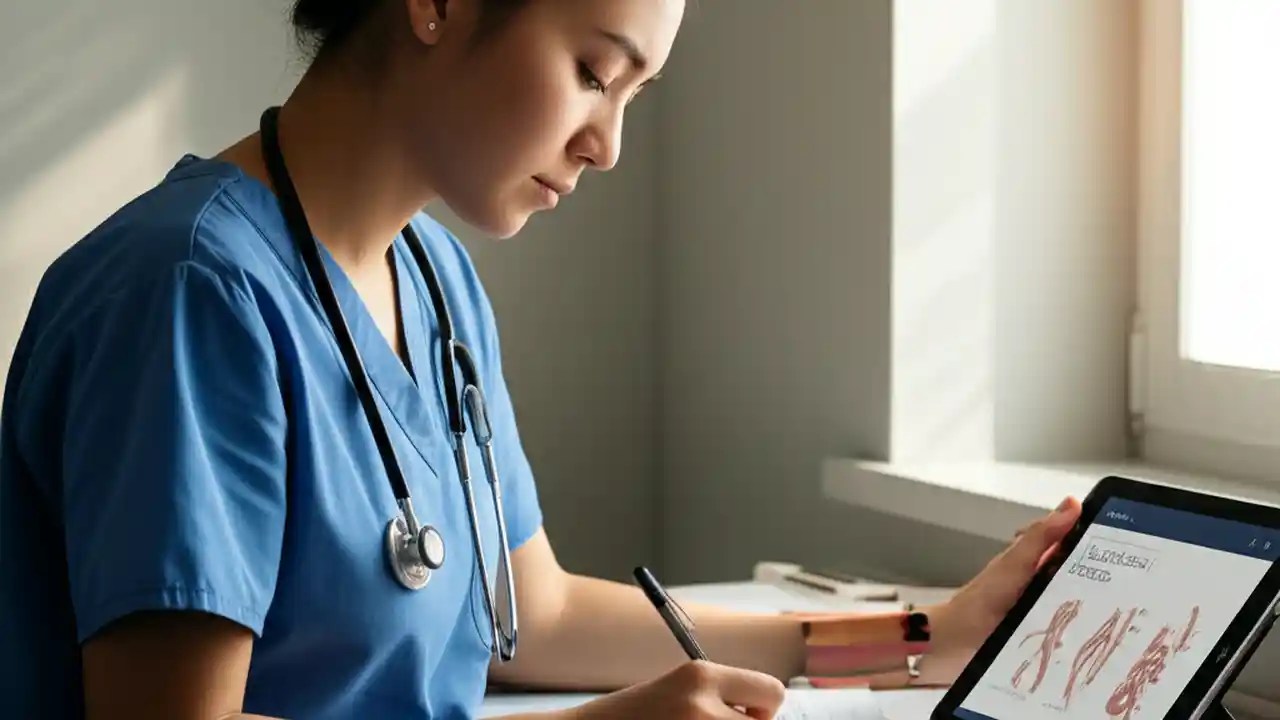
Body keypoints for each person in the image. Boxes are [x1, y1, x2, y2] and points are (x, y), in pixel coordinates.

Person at [0, 0, 1084, 718]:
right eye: (590, 73)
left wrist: (914, 639)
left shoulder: (432, 278)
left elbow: (535, 618)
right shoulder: (190, 295)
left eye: (630, 97)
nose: (605, 144)